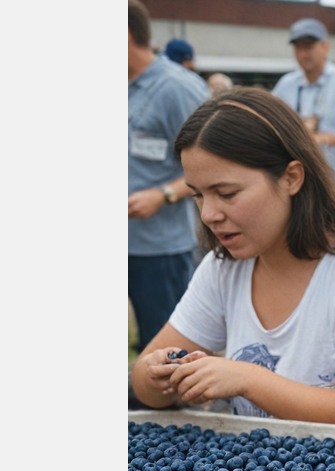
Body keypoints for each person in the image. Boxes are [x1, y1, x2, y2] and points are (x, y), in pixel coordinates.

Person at [131, 87, 335, 426]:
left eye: (226, 193)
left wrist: (248, 379)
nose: (209, 215)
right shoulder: (223, 267)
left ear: (291, 177)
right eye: (199, 195)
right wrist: (159, 375)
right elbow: (144, 384)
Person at [128, 0, 209, 356]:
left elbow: (216, 166)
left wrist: (163, 195)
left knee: (167, 361)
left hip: (160, 251)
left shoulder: (177, 88)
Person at [272, 17, 335, 209]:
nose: (303, 53)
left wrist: (322, 138)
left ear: (325, 46)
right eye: (298, 47)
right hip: (294, 184)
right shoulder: (286, 84)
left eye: (309, 46)